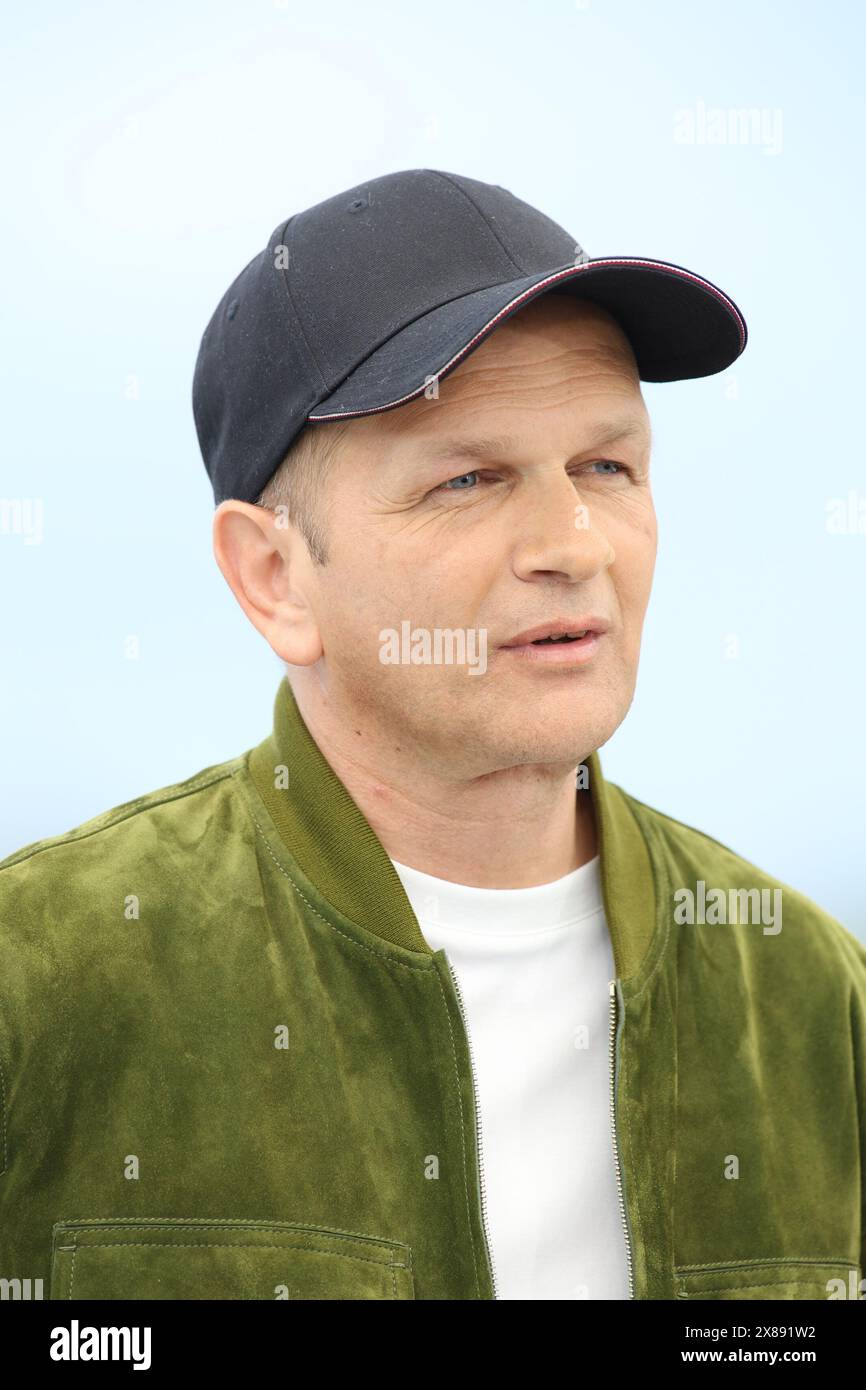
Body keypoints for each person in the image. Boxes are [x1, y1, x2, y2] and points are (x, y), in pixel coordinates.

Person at [1, 170, 863, 1302]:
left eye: (606, 465)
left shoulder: (810, 996)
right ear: (273, 577)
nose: (572, 542)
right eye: (466, 477)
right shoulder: (41, 975)